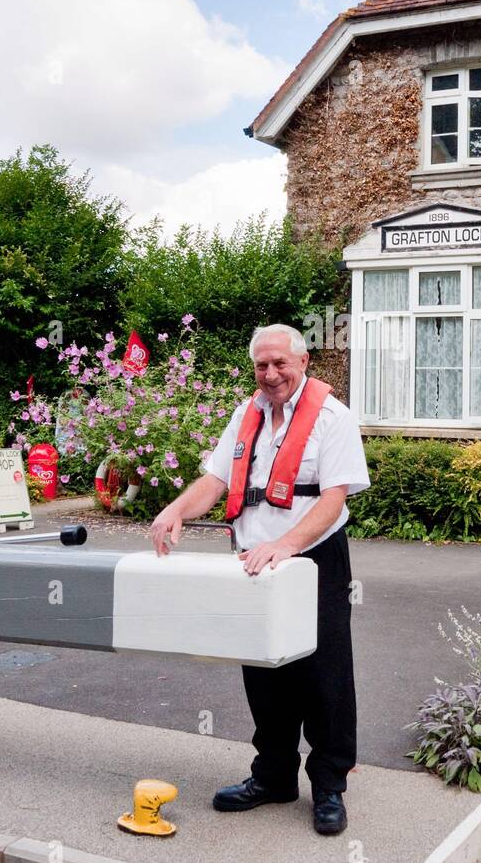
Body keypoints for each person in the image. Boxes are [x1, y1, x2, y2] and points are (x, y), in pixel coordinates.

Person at [148, 324, 370, 835]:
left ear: (304, 362)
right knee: (264, 671)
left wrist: (285, 544)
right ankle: (273, 776)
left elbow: (335, 496)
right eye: (261, 366)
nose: (270, 375)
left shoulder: (333, 419)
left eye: (280, 364)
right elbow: (217, 479)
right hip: (253, 561)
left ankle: (330, 784)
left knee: (324, 675)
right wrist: (176, 510)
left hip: (312, 559)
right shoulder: (246, 415)